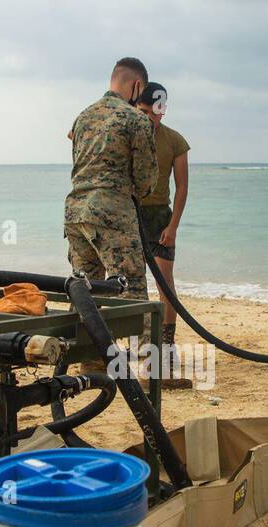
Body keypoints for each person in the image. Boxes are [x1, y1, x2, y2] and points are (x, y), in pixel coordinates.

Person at [64, 57, 157, 302]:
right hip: (112, 214)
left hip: (75, 214)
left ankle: (81, 341)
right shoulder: (136, 119)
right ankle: (141, 343)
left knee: (84, 296)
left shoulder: (83, 117)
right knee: (132, 292)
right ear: (137, 86)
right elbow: (146, 181)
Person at [134, 81, 193, 389]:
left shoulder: (174, 140)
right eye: (143, 111)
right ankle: (142, 351)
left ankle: (166, 346)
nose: (149, 118)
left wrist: (173, 226)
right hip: (129, 212)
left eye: (155, 112)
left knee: (164, 283)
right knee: (127, 283)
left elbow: (182, 186)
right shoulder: (127, 132)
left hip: (159, 216)